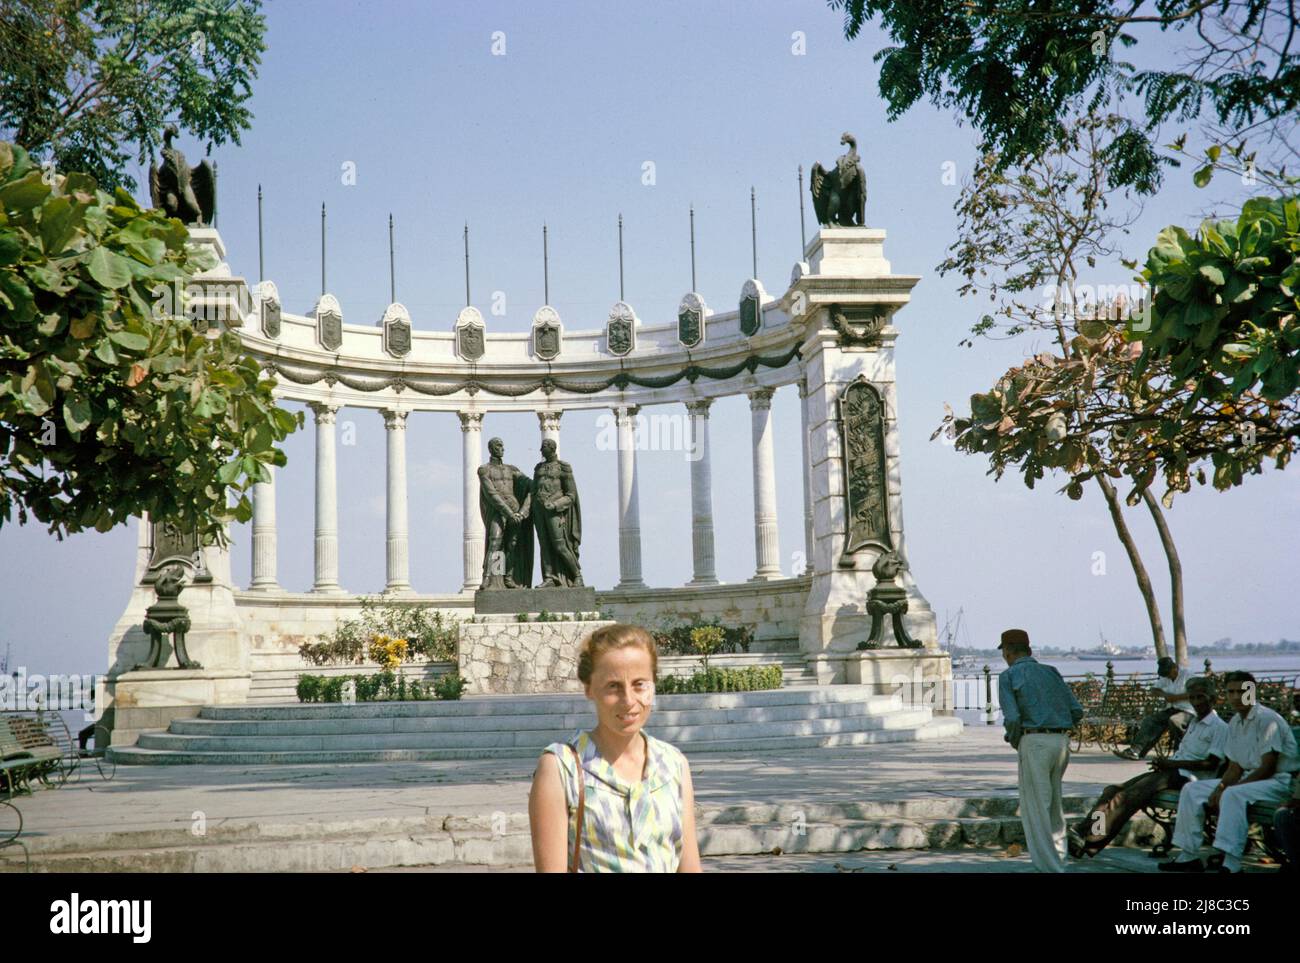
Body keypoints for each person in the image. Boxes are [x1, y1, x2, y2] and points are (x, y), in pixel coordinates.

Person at [528, 624, 701, 872]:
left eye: (639, 684)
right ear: (589, 689)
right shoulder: (561, 768)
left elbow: (690, 867)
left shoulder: (674, 765)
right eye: (613, 686)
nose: (628, 700)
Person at [1160, 671, 1300, 873]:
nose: (1235, 697)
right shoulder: (1235, 722)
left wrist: (1227, 789)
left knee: (1232, 794)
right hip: (1251, 780)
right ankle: (1188, 856)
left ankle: (1231, 864)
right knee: (1192, 790)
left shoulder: (1267, 719)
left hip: (1278, 782)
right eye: (1231, 692)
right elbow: (1235, 766)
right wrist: (1221, 786)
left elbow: (1267, 767)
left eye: (1241, 691)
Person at [1070, 676, 1226, 857]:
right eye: (1192, 698)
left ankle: (1090, 841)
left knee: (1125, 797)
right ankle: (1083, 831)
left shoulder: (1219, 727)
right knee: (1112, 790)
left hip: (1189, 777)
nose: (1196, 702)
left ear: (1212, 699)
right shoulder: (1194, 723)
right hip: (1173, 771)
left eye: (1201, 697)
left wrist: (1171, 764)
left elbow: (1211, 763)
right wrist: (1166, 764)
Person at [997, 628, 1084, 873]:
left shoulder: (1008, 676)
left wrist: (1017, 740)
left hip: (1034, 741)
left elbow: (1012, 718)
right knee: (1054, 805)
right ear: (1029, 650)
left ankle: (1049, 867)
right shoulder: (1051, 671)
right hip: (1060, 742)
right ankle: (1059, 858)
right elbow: (1076, 710)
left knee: (1036, 808)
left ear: (1008, 652)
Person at [1114, 656, 1194, 760]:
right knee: (1150, 721)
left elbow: (1195, 692)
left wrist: (1176, 698)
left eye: (1169, 674)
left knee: (1175, 721)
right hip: (1172, 709)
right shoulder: (1166, 677)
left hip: (1188, 711)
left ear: (1175, 668)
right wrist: (1165, 694)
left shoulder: (1187, 675)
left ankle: (1179, 753)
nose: (1168, 677)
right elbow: (1154, 690)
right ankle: (1136, 751)